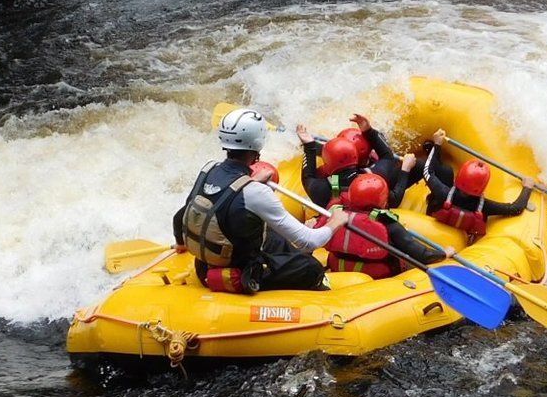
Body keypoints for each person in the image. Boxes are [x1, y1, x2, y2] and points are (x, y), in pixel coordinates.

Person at [174, 107, 348, 294]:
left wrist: (181, 244)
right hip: (239, 274)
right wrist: (335, 222)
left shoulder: (209, 168)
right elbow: (309, 241)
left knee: (274, 235)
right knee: (310, 267)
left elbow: (179, 217)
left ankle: (285, 257)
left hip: (203, 267)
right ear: (258, 142)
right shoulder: (255, 192)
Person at [408, 128, 532, 237]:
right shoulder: (484, 206)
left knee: (446, 172)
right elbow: (515, 208)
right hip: (462, 230)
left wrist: (437, 145)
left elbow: (428, 171)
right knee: (447, 172)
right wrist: (527, 187)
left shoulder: (443, 192)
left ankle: (434, 154)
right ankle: (436, 156)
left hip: (435, 218)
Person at [320, 173, 445, 279]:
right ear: (383, 200)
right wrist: (444, 254)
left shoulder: (335, 215)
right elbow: (422, 255)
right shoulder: (388, 223)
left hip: (339, 269)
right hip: (377, 275)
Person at [296, 113, 417, 209]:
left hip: (338, 223)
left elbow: (307, 177)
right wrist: (368, 131)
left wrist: (309, 146)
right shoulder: (373, 178)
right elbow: (387, 157)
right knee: (419, 165)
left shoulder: (320, 189)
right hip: (370, 223)